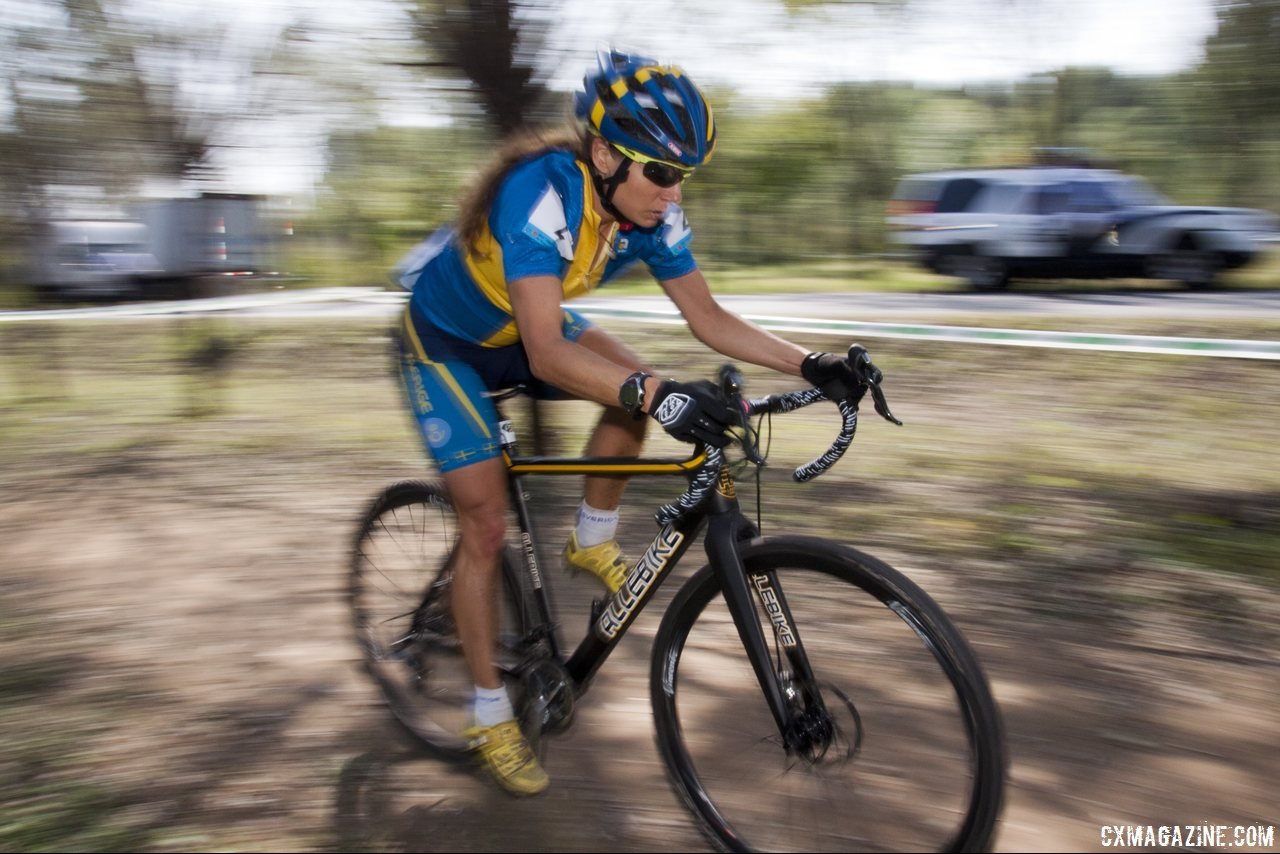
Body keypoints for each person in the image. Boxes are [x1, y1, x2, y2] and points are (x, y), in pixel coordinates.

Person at [395, 48, 866, 796]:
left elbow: (708, 316)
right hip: (448, 347)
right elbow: (547, 352)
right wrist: (658, 394)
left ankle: (590, 540)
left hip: (525, 328)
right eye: (663, 172)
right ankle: (487, 712)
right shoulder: (540, 195)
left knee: (637, 390)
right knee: (485, 525)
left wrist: (811, 364)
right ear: (606, 155)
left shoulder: (649, 210)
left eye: (684, 177)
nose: (673, 193)